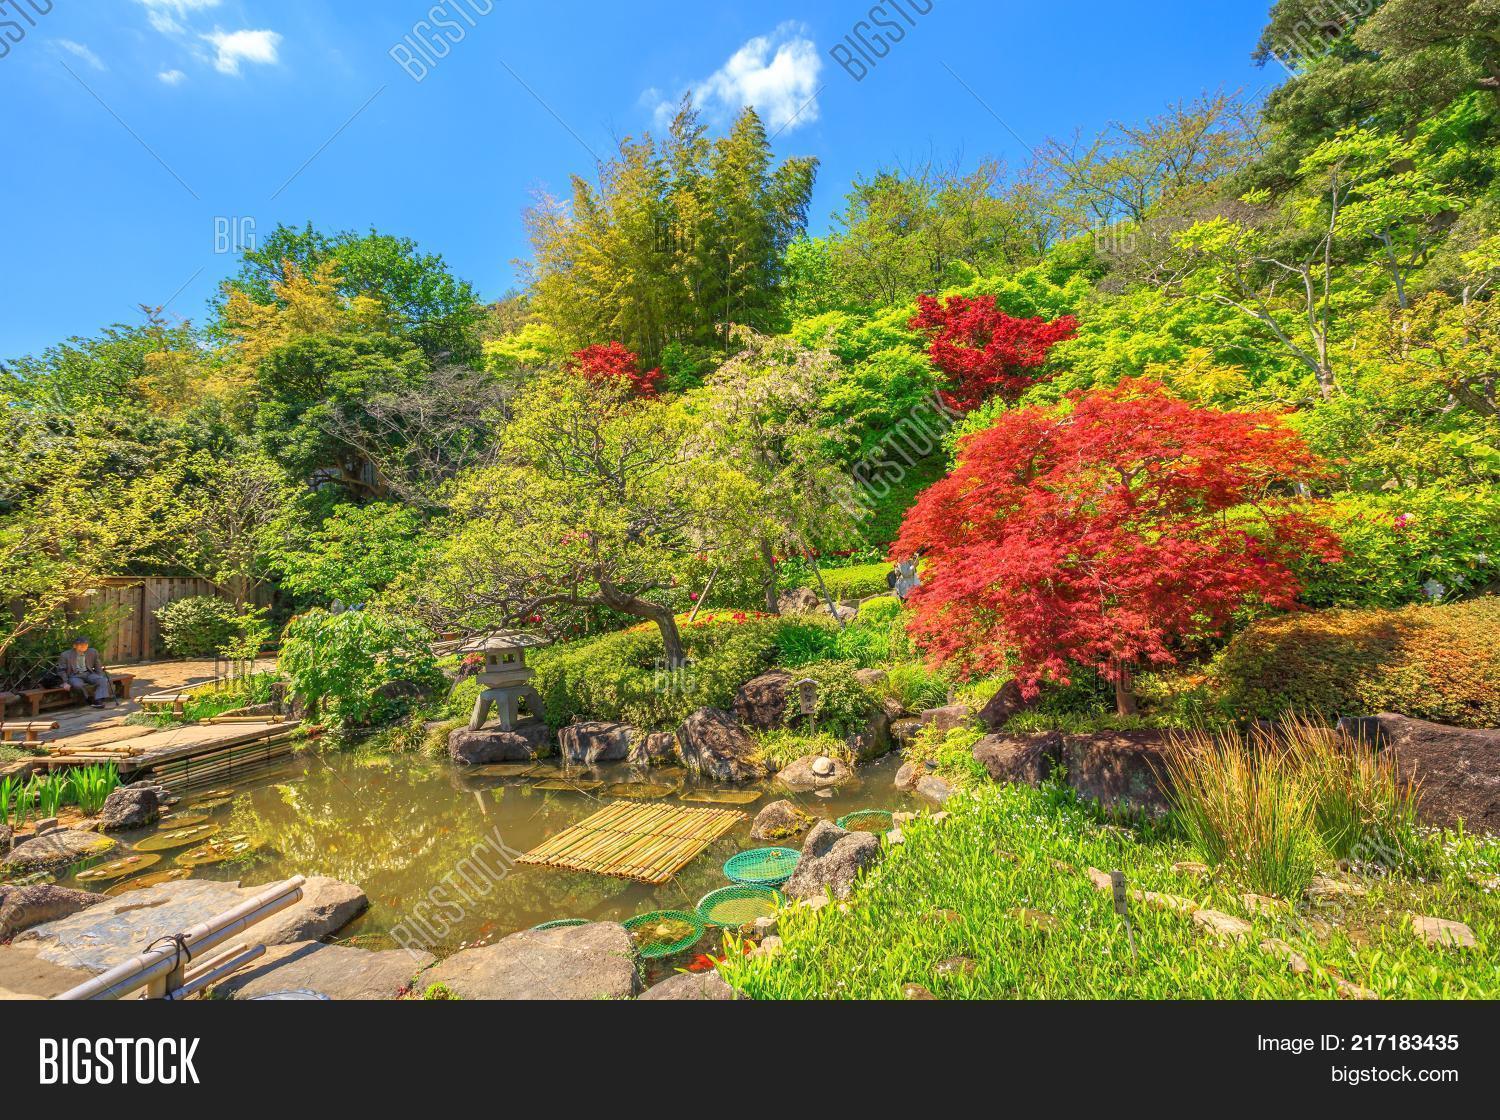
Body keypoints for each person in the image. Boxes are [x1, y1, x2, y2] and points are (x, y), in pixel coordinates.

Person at [57, 637, 112, 709]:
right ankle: (88, 698)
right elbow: (61, 670)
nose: (84, 646)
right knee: (78, 685)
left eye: (86, 644)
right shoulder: (65, 655)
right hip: (74, 675)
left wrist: (100, 676)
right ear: (74, 646)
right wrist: (65, 682)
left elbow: (97, 665)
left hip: (88, 673)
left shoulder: (93, 652)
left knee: (102, 680)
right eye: (80, 644)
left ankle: (98, 700)